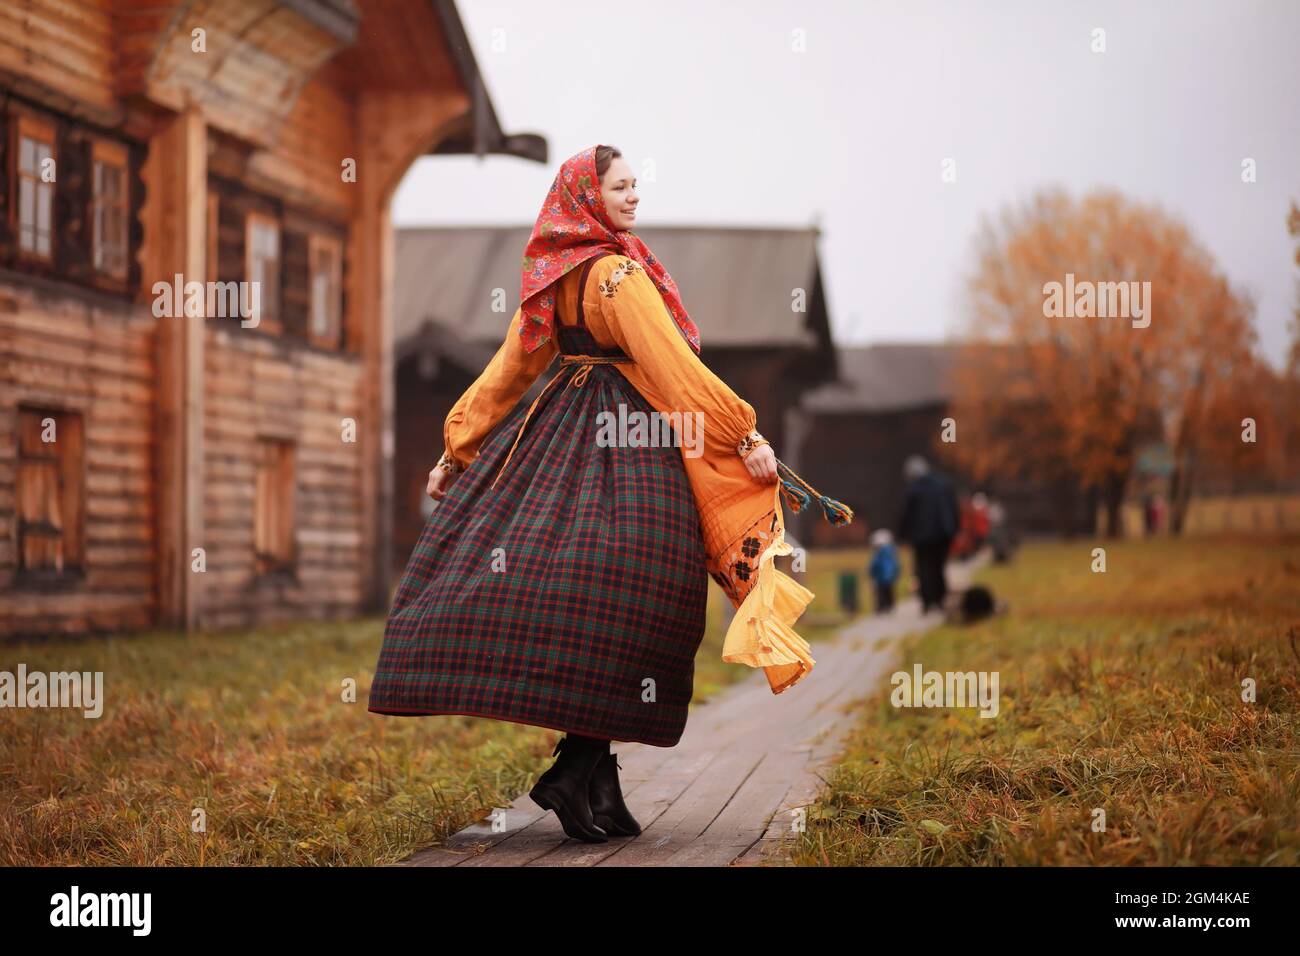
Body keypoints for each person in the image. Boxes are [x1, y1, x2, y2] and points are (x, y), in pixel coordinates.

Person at [367, 145, 830, 844]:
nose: (633, 196)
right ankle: (576, 770)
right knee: (644, 598)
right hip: (630, 443)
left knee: (603, 602)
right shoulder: (617, 275)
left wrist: (459, 446)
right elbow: (673, 368)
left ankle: (594, 776)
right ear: (587, 197)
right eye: (619, 188)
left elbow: (508, 373)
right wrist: (743, 433)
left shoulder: (555, 276)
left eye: (636, 185)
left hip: (562, 431)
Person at [896, 455, 959, 613]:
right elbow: (953, 508)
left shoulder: (913, 490)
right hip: (943, 534)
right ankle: (940, 599)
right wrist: (954, 528)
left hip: (921, 536)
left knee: (924, 569)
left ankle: (928, 602)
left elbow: (906, 514)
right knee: (939, 566)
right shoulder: (943, 485)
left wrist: (902, 534)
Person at [867, 529, 900, 613]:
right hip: (890, 577)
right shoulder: (892, 552)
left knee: (880, 592)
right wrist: (895, 574)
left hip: (881, 577)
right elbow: (896, 565)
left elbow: (874, 565)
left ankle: (882, 607)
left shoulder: (879, 553)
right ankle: (889, 605)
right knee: (889, 591)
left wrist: (871, 572)